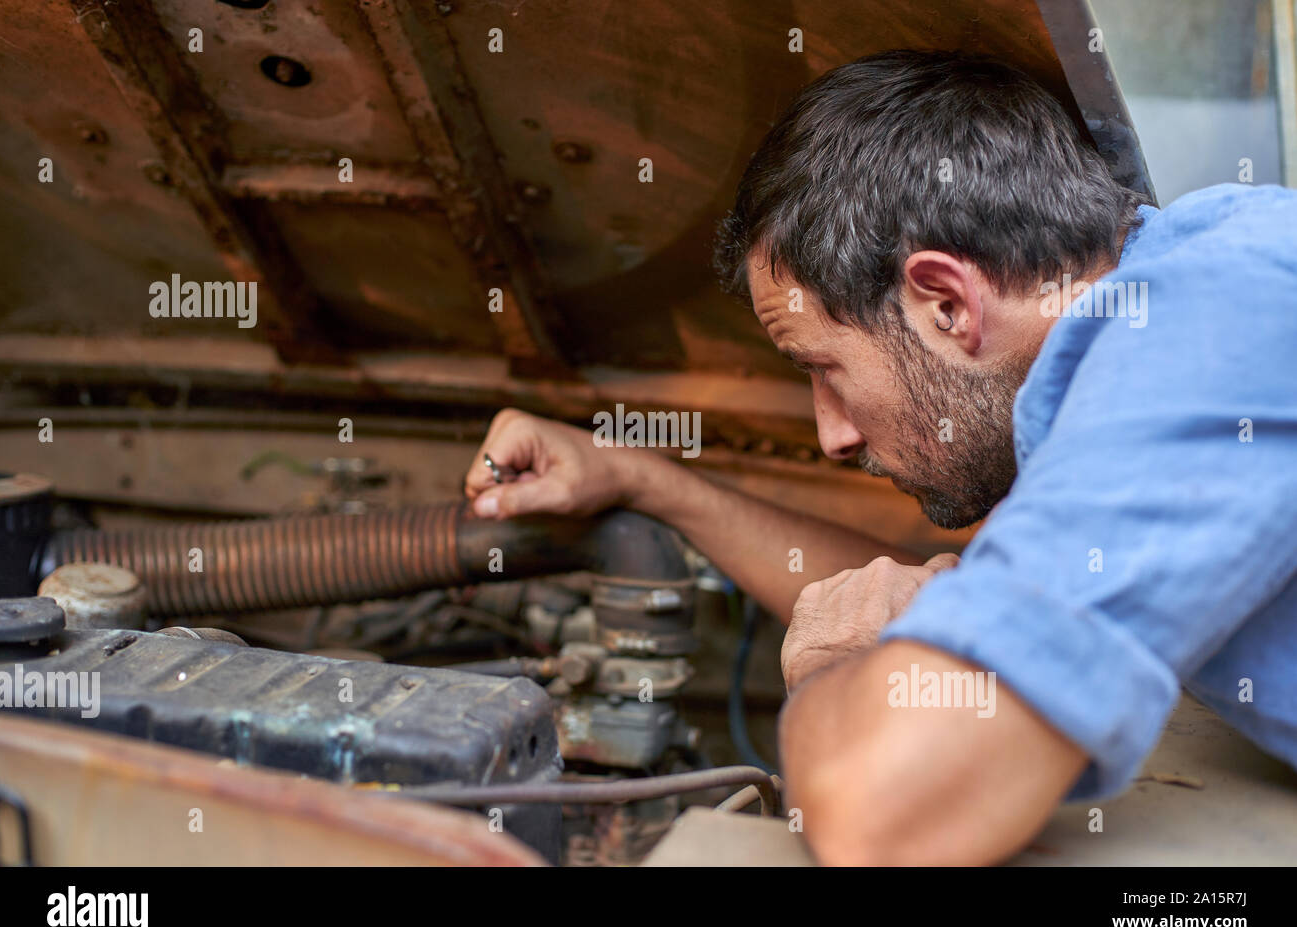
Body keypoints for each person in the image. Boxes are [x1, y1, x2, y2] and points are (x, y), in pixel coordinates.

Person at [463, 51, 1297, 865]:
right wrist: (641, 477)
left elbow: (880, 816)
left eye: (823, 369)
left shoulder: (1206, 335)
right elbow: (940, 608)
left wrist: (834, 672)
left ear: (946, 303)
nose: (832, 436)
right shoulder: (1161, 319)